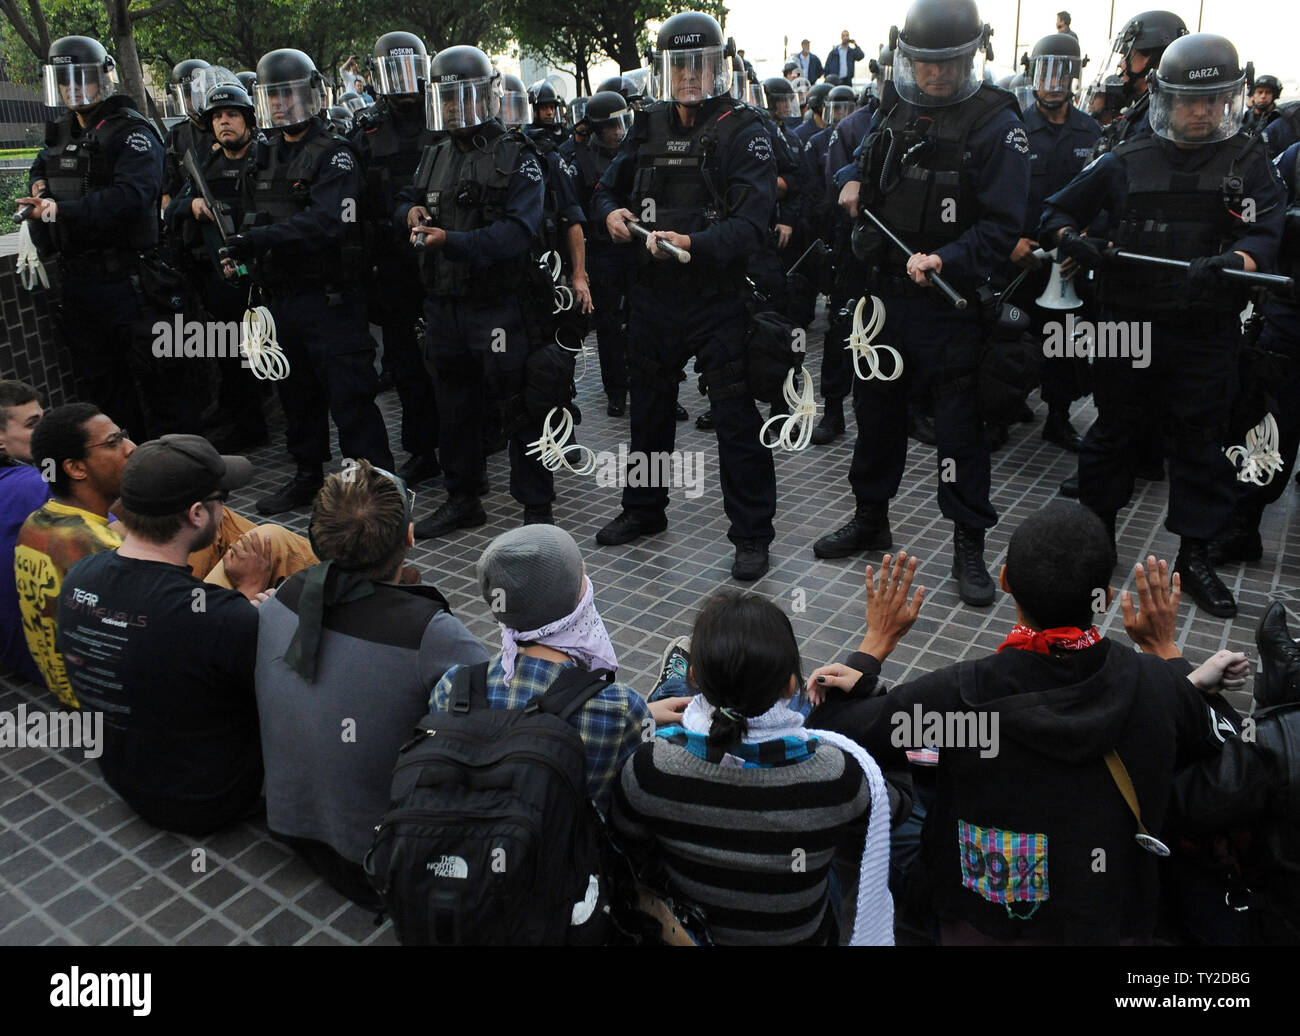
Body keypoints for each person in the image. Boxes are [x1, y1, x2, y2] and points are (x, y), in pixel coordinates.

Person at [806, 502, 1245, 944]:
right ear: (1105, 598)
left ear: (1004, 581)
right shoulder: (1158, 684)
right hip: (1109, 917)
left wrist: (872, 648)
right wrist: (1168, 652)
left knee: (901, 802)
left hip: (979, 920)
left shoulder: (957, 702)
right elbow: (1235, 745)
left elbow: (833, 736)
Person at [1039, 33, 1285, 619]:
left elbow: (1264, 236)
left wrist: (1234, 263)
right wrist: (1074, 241)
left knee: (1201, 442)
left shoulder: (1248, 163)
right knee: (1114, 432)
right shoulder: (1126, 158)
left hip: (1205, 330)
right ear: (1166, 100)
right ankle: (1097, 537)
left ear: (1230, 98)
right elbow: (1055, 211)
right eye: (1189, 102)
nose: (1201, 112)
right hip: (1129, 323)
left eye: (1213, 101)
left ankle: (1193, 555)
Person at [814, 0, 1029, 610]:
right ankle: (870, 517)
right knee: (876, 413)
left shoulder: (996, 123)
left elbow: (1004, 226)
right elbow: (865, 155)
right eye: (925, 63)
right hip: (886, 298)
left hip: (950, 303)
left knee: (960, 432)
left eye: (949, 63)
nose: (936, 75)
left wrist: (947, 259)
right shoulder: (898, 103)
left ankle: (968, 542)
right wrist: (849, 177)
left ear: (970, 57)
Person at [590, 11, 779, 581]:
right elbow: (602, 189)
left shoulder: (745, 129)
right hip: (653, 295)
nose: (690, 77)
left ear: (717, 68)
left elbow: (752, 226)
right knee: (648, 411)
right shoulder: (646, 124)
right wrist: (612, 217)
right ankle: (644, 510)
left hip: (716, 296)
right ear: (663, 71)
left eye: (700, 64)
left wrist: (692, 242)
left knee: (734, 415)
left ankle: (750, 534)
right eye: (679, 65)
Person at [254, 460, 489, 908]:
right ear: (409, 537)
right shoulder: (430, 632)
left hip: (288, 825)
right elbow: (504, 709)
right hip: (376, 862)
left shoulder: (283, 596)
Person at [611, 591, 900, 945]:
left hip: (696, 932)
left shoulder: (649, 767)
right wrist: (866, 691)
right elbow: (895, 806)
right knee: (816, 713)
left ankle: (671, 689)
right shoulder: (840, 775)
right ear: (791, 685)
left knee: (673, 704)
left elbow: (631, 844)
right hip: (803, 936)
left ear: (696, 676)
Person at [56, 435, 272, 834]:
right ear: (196, 514)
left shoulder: (79, 577)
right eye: (221, 499)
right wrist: (252, 598)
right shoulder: (219, 617)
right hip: (214, 797)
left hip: (128, 782)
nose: (225, 509)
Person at [218, 47, 395, 515]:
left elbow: (326, 224)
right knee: (297, 398)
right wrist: (240, 252)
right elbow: (248, 215)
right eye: (273, 96)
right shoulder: (263, 153)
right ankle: (306, 476)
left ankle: (377, 490)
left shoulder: (334, 154)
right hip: (281, 298)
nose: (281, 105)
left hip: (331, 301)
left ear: (312, 94)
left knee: (351, 400)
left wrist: (256, 240)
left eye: (290, 94)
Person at [394, 46, 560, 536]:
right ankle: (463, 498)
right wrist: (410, 213)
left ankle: (536, 506)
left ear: (485, 96)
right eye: (444, 97)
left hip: (498, 307)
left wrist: (454, 242)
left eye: (461, 96)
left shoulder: (518, 156)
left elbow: (517, 233)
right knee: (454, 406)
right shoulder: (435, 153)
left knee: (518, 405)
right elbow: (407, 196)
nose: (452, 108)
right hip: (444, 305)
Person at [427, 525, 687, 815]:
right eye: (582, 577)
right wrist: (641, 714)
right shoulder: (619, 707)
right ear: (579, 602)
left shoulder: (452, 688)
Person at [19, 36, 191, 443]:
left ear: (103, 79)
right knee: (105, 392)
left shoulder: (130, 131)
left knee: (163, 384)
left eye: (83, 78)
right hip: (80, 284)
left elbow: (133, 196)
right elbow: (40, 166)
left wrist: (63, 210)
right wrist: (39, 186)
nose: (73, 88)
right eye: (65, 81)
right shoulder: (60, 131)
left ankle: (184, 478)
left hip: (132, 283)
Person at [351, 31, 442, 487]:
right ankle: (423, 448)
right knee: (406, 362)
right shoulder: (366, 128)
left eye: (412, 71)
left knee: (456, 355)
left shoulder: (446, 113)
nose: (405, 84)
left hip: (445, 253)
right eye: (394, 72)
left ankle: (474, 439)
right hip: (392, 262)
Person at [1006, 33, 1100, 452]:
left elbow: (1105, 198)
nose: (1054, 83)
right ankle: (1004, 410)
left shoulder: (1092, 132)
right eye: (1046, 72)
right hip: (1020, 258)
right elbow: (993, 194)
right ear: (1033, 75)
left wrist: (1086, 242)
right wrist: (1010, 242)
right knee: (1009, 338)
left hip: (1067, 264)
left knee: (1065, 345)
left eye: (1064, 73)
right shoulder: (1014, 127)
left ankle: (1058, 418)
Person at [164, 81, 269, 454]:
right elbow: (170, 209)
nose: (224, 122)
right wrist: (191, 207)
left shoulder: (266, 157)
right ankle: (248, 425)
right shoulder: (206, 166)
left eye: (232, 115)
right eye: (218, 117)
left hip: (267, 272)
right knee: (232, 355)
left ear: (249, 121)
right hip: (223, 278)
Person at [568, 91, 636, 416]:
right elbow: (576, 215)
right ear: (597, 129)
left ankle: (647, 385)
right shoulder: (580, 161)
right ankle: (616, 390)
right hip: (602, 252)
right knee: (608, 325)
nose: (618, 131)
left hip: (634, 250)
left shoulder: (632, 155)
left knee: (642, 321)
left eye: (622, 123)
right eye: (611, 126)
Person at [0, 382, 50, 684]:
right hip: (63, 664)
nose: (45, 432)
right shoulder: (34, 487)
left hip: (15, 656)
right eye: (33, 425)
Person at [161, 58, 213, 211]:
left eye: (200, 92)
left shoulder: (226, 127)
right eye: (189, 94)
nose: (195, 100)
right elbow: (164, 192)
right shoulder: (175, 136)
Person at [1244, 75, 1297, 160]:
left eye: (1267, 92)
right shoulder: (1243, 118)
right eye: (1259, 92)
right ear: (1253, 94)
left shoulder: (1282, 121)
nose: (1263, 96)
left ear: (1274, 95)